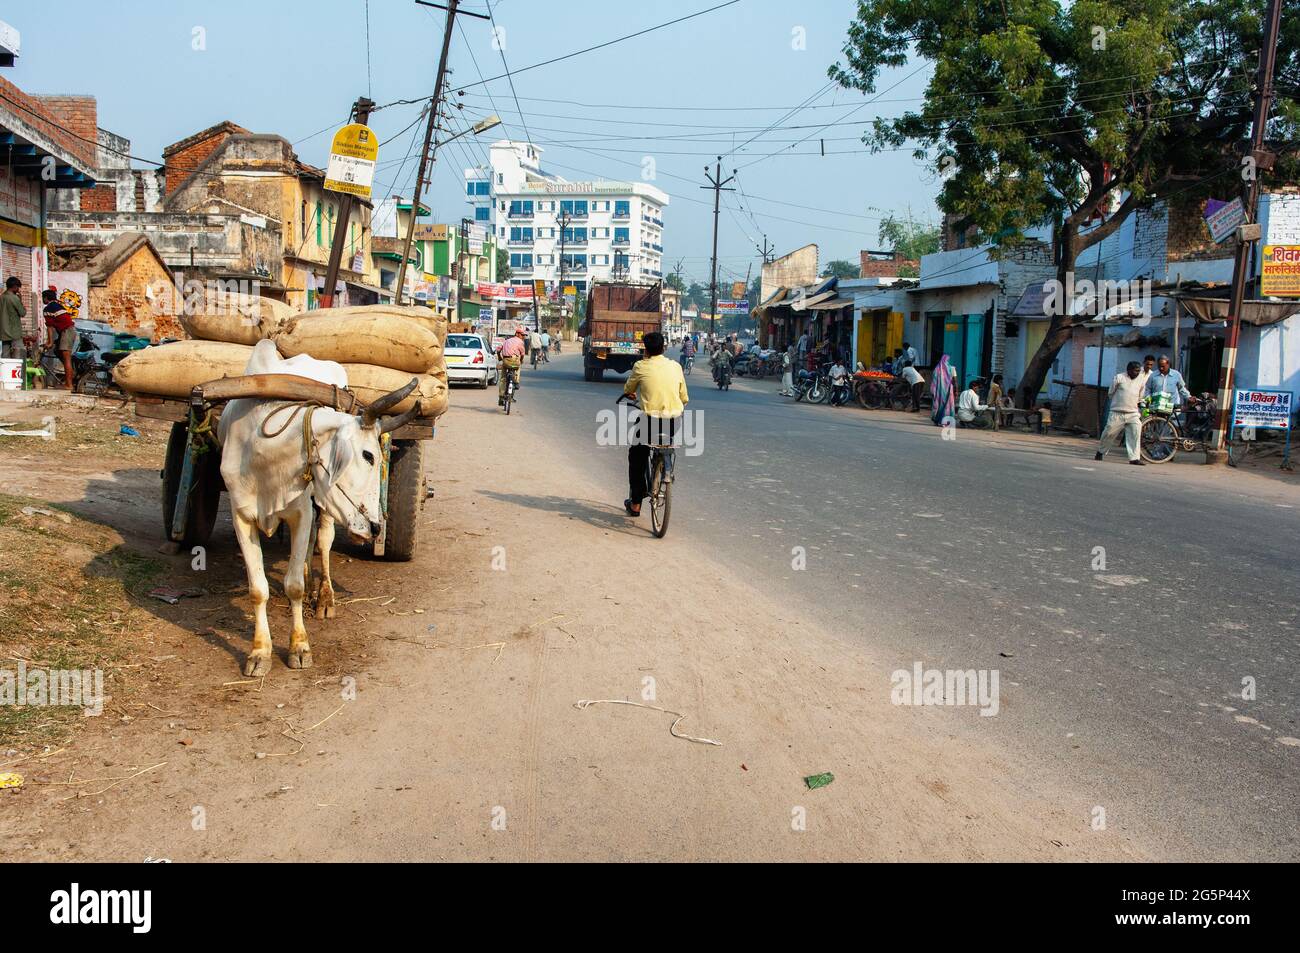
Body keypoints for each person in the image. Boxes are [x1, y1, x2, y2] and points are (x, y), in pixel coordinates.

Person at [623, 331, 688, 517]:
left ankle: (635, 503)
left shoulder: (640, 366)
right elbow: (684, 397)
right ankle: (664, 468)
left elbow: (629, 389)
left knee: (637, 456)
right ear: (664, 347)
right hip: (673, 421)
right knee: (665, 445)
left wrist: (633, 394)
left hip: (649, 421)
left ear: (646, 350)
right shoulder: (676, 366)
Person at [1096, 360, 1146, 465]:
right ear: (1128, 370)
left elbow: (1141, 396)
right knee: (1109, 432)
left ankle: (1134, 458)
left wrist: (1140, 404)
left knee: (1135, 433)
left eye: (1138, 371)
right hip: (1117, 412)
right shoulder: (1119, 378)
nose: (1137, 373)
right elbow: (1111, 393)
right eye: (1135, 371)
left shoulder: (1141, 380)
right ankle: (1101, 451)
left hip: (1133, 413)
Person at [42, 289, 76, 390]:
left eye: (43, 298)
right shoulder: (58, 305)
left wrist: (50, 342)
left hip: (67, 332)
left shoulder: (48, 308)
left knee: (66, 358)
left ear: (46, 298)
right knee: (57, 351)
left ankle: (69, 384)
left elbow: (49, 327)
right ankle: (71, 373)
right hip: (68, 331)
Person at [496, 327, 526, 405]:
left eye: (523, 335)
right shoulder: (520, 342)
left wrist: (499, 357)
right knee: (518, 367)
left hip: (505, 361)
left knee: (503, 378)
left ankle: (501, 397)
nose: (523, 337)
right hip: (515, 361)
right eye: (522, 335)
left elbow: (498, 350)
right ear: (517, 334)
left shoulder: (506, 341)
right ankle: (516, 381)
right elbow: (522, 354)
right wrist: (521, 360)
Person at [0, 276, 25, 359]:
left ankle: (5, 372)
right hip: (14, 332)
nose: (18, 289)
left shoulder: (1, 297)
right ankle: (17, 371)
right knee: (18, 355)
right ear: (14, 287)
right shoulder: (14, 298)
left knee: (5, 356)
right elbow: (22, 313)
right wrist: (20, 300)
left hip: (3, 332)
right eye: (18, 287)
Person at [930, 355, 955, 426]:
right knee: (947, 405)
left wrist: (933, 390)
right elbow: (954, 380)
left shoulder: (936, 369)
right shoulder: (951, 368)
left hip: (938, 391)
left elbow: (934, 381)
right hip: (948, 391)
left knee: (938, 404)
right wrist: (955, 389)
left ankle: (937, 420)